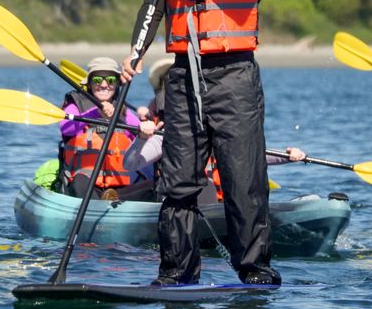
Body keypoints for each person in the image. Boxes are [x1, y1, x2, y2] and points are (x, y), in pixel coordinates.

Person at [120, 0, 279, 286]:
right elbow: (151, 11)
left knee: (243, 180)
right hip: (183, 81)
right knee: (178, 184)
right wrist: (134, 55)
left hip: (234, 79)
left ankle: (254, 271)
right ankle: (176, 274)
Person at [125, 58, 307, 204]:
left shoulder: (218, 124)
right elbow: (130, 164)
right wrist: (141, 137)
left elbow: (247, 154)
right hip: (186, 203)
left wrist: (286, 156)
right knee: (205, 189)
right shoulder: (165, 133)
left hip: (222, 202)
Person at [58, 56, 143, 200]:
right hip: (85, 188)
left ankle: (113, 204)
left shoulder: (122, 111)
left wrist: (147, 126)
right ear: (89, 84)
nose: (104, 85)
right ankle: (97, 209)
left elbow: (142, 137)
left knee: (154, 184)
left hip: (118, 191)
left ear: (116, 84)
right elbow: (65, 128)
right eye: (97, 80)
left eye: (110, 80)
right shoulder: (76, 105)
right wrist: (96, 112)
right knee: (80, 181)